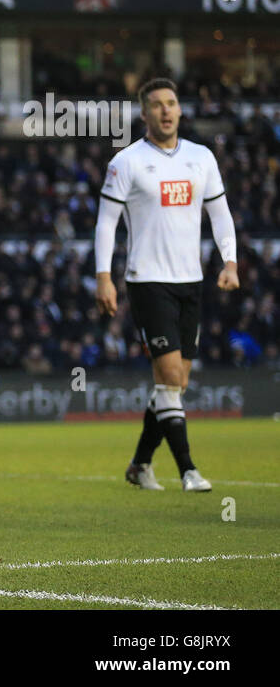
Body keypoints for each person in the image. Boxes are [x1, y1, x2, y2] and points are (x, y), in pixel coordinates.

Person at [94, 77, 239, 492]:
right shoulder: (127, 162)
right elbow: (106, 223)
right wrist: (103, 277)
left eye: (171, 103)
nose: (165, 110)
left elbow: (221, 214)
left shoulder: (201, 157)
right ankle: (189, 470)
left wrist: (230, 261)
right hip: (147, 280)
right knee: (170, 376)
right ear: (144, 114)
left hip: (190, 281)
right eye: (156, 104)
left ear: (180, 109)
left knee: (176, 384)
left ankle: (140, 464)